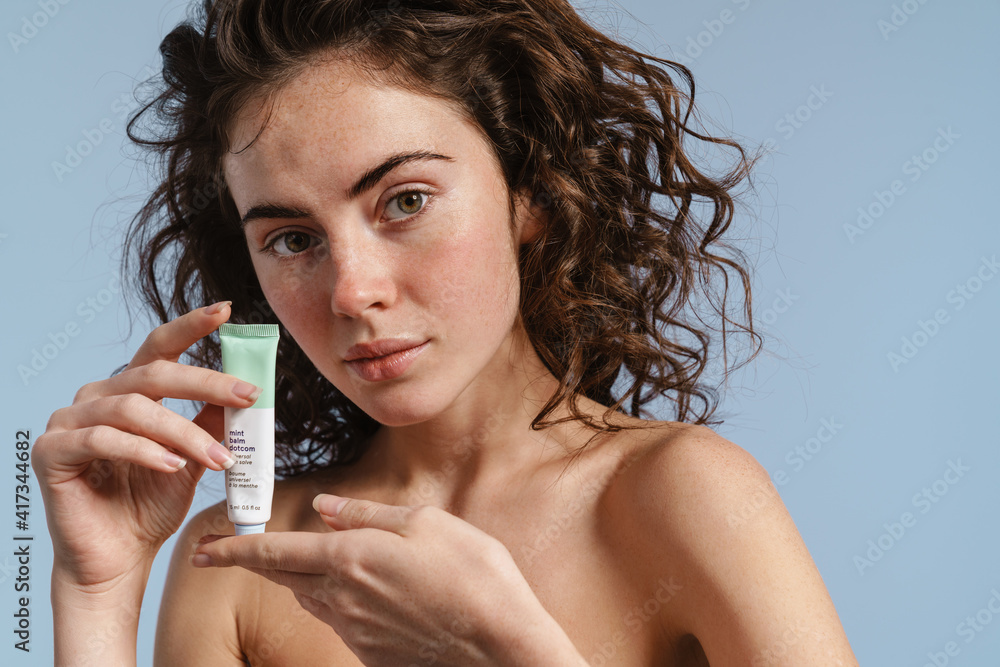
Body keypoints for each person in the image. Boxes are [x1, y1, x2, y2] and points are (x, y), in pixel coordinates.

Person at [34, 0, 860, 664]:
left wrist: (508, 650)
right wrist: (96, 591)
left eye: (405, 200)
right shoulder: (243, 559)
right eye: (292, 239)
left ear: (532, 189)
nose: (353, 292)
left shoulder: (681, 499)